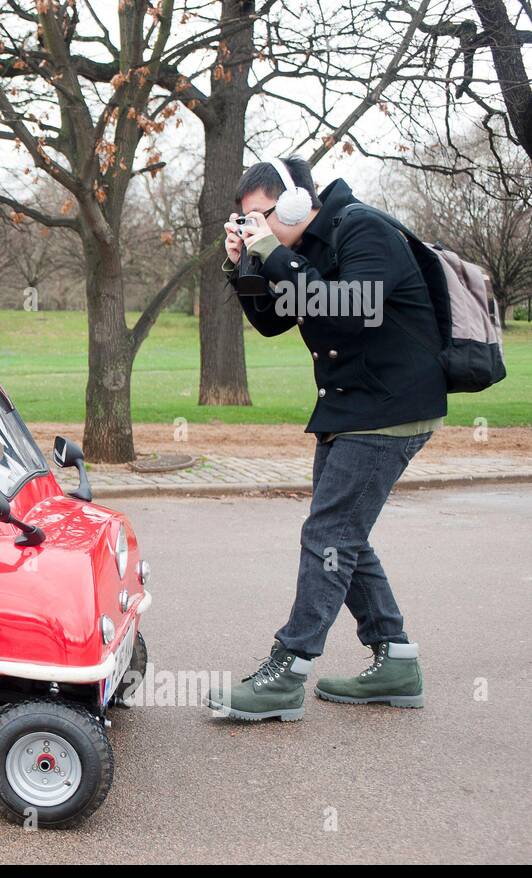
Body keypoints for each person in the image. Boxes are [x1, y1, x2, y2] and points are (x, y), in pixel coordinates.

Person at [206, 157, 446, 721]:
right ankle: (396, 660)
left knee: (330, 532)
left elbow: (348, 310)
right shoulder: (301, 249)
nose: (253, 228)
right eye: (244, 221)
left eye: (259, 217)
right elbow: (273, 320)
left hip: (389, 406)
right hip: (348, 407)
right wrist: (241, 266)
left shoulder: (364, 229)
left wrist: (272, 252)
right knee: (344, 535)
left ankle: (288, 670)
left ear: (294, 202)